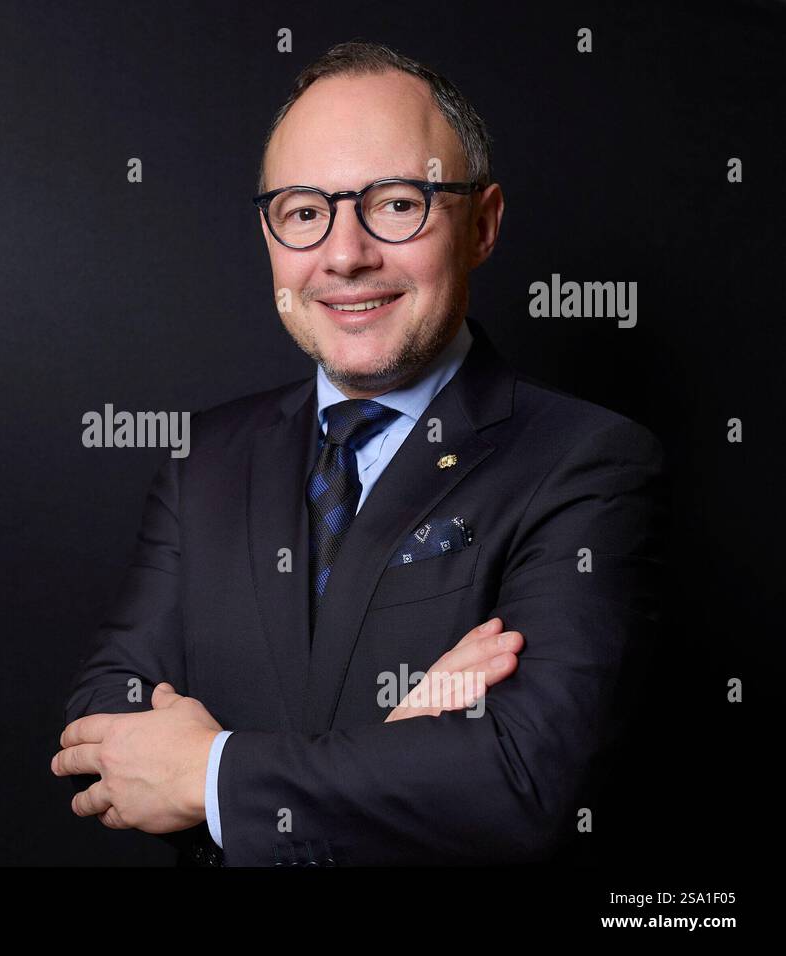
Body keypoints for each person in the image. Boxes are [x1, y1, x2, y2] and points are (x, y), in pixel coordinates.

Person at [53, 40, 669, 866]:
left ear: (482, 225)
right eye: (306, 211)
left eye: (396, 203)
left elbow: (522, 782)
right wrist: (398, 751)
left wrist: (213, 772)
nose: (344, 255)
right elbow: (103, 721)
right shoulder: (205, 457)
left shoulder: (588, 464)